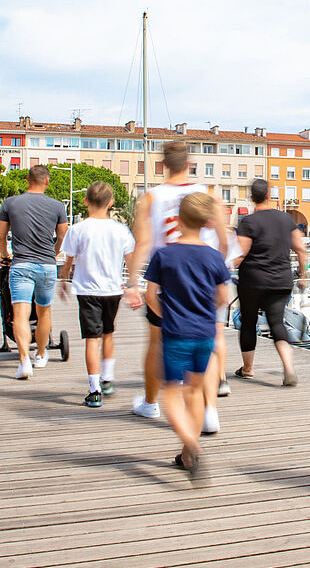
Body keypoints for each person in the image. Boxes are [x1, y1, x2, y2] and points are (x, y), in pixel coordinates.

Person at [130, 140, 229, 433]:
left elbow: (143, 242)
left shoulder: (149, 197)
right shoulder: (208, 195)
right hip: (205, 281)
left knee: (157, 343)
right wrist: (215, 269)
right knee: (207, 347)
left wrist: (132, 283)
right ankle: (209, 410)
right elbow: (224, 241)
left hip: (167, 282)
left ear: (163, 165)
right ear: (189, 164)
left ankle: (150, 403)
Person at [143, 192, 230, 472]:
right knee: (194, 392)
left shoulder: (164, 254)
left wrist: (165, 315)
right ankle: (187, 452)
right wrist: (204, 312)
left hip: (175, 332)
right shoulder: (214, 256)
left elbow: (150, 296)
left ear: (178, 220)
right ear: (206, 223)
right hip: (204, 333)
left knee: (170, 391)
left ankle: (191, 444)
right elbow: (223, 297)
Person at [58, 181, 143, 408]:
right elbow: (130, 260)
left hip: (87, 291)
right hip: (113, 290)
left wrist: (64, 281)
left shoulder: (77, 229)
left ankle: (94, 391)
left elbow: (68, 260)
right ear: (111, 203)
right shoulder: (120, 230)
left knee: (91, 340)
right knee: (108, 333)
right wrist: (132, 284)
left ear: (85, 201)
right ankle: (107, 379)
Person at [0, 165, 69, 380]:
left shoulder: (10, 203)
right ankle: (41, 354)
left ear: (27, 180)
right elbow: (63, 237)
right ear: (47, 181)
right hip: (46, 266)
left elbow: (0, 237)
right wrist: (53, 254)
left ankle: (24, 361)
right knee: (44, 311)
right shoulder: (57, 206)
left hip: (21, 266)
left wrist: (5, 255)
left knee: (20, 314)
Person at [234, 178, 307, 386]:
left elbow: (240, 254)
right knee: (277, 322)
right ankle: (289, 369)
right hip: (281, 280)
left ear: (252, 198)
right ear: (269, 195)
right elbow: (301, 249)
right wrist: (302, 276)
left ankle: (247, 369)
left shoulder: (248, 222)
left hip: (253, 281)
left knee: (248, 321)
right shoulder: (286, 220)